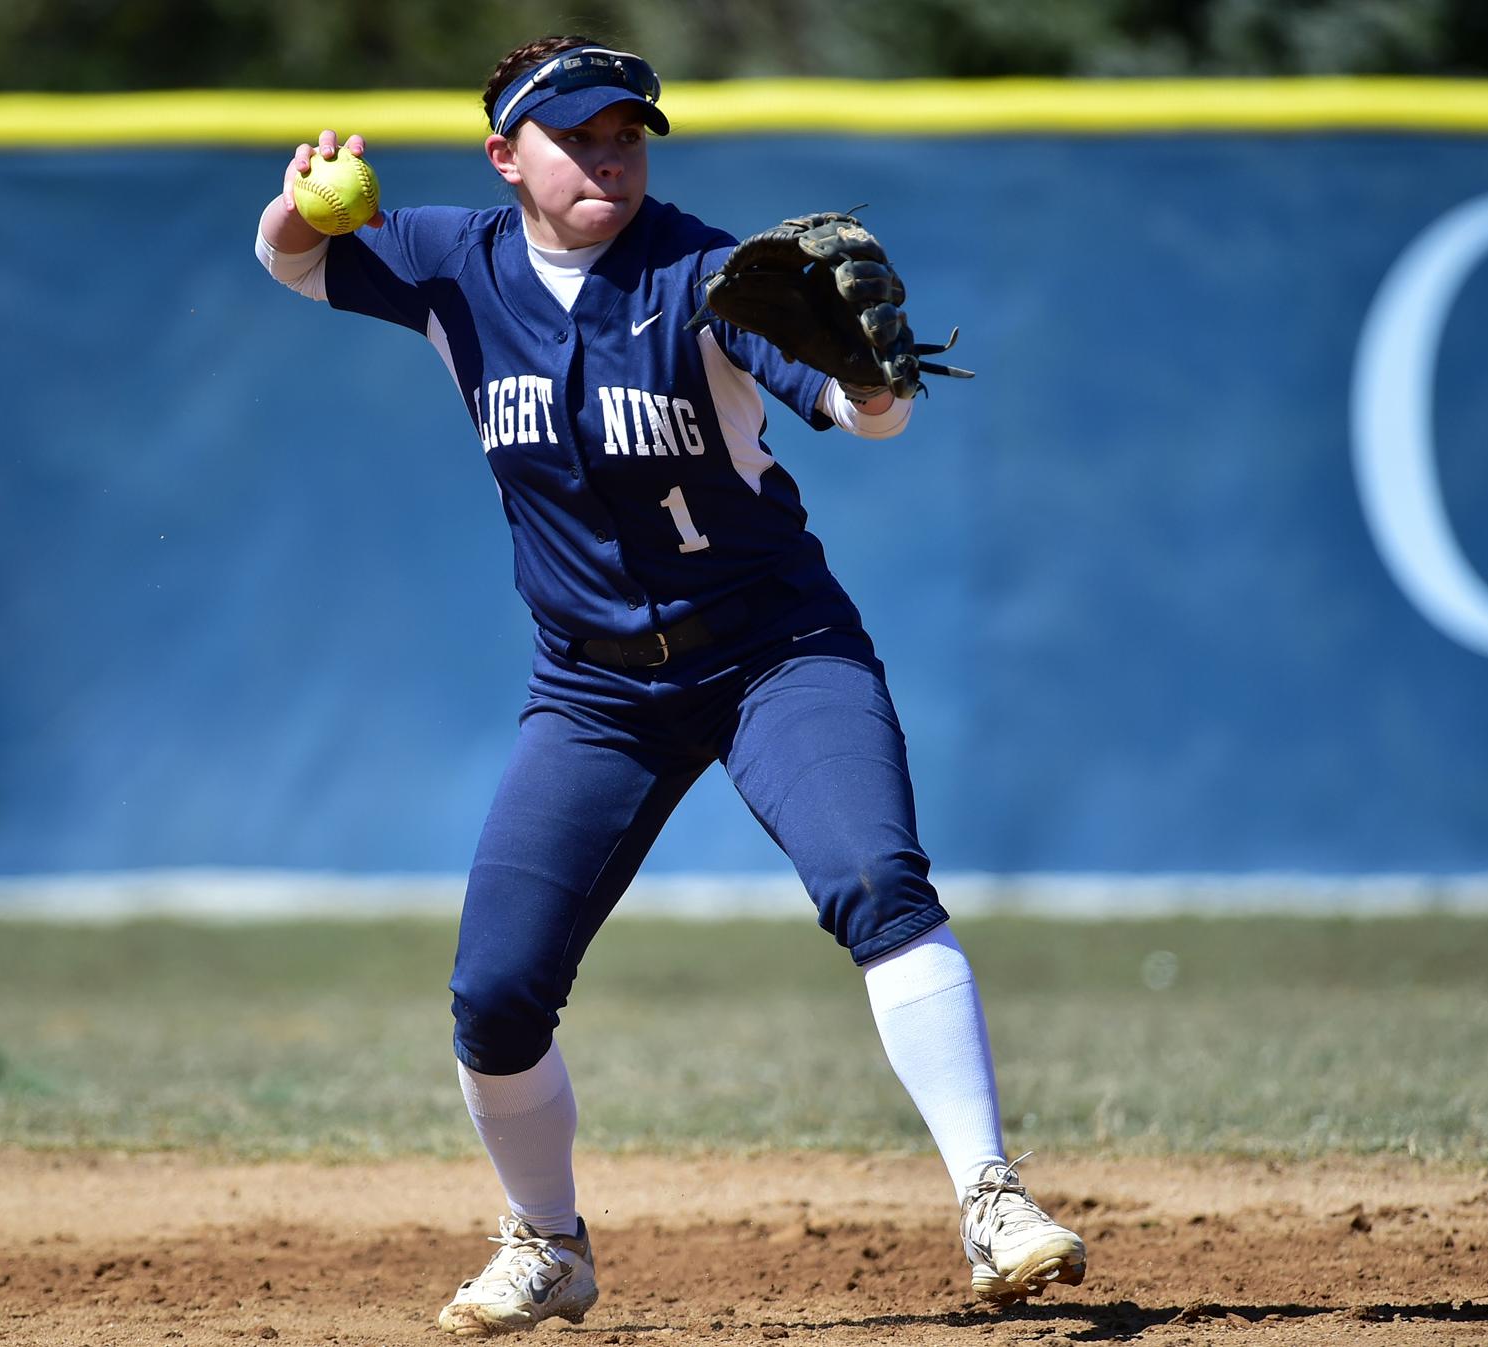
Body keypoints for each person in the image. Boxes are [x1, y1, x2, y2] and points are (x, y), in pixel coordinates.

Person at [255, 34, 1087, 1338]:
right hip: (591, 692)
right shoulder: (449, 263)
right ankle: (547, 1242)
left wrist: (872, 380)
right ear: (504, 159)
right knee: (496, 994)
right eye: (578, 135)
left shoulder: (708, 276)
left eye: (627, 134)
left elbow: (871, 416)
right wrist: (295, 203)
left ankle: (994, 1201)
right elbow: (292, 262)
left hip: (772, 653)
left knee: (877, 883)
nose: (607, 156)